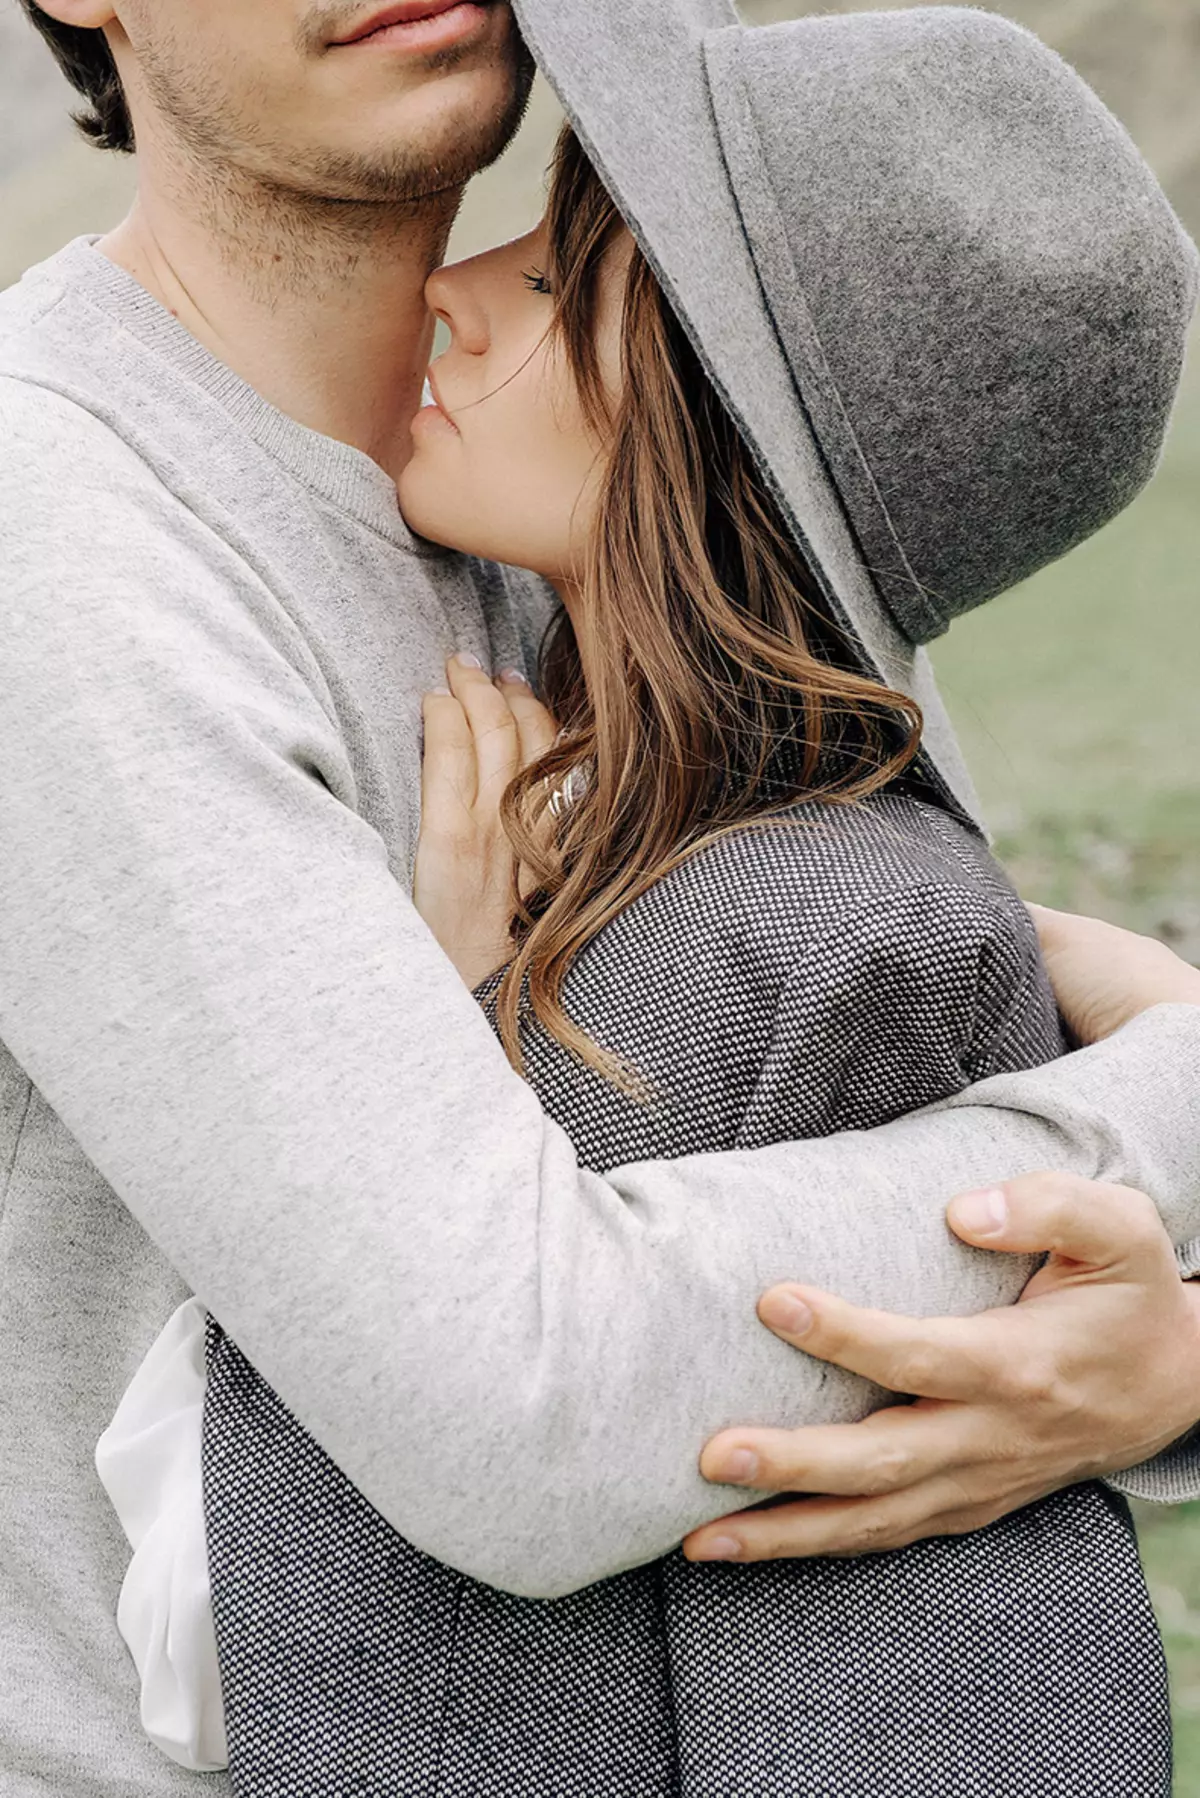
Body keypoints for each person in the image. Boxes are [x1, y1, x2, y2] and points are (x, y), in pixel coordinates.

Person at [2, 1, 1200, 1794]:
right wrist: (1160, 1128)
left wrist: (1163, 1347)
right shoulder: (63, 532)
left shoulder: (728, 478)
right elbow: (523, 1399)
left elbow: (935, 1039)